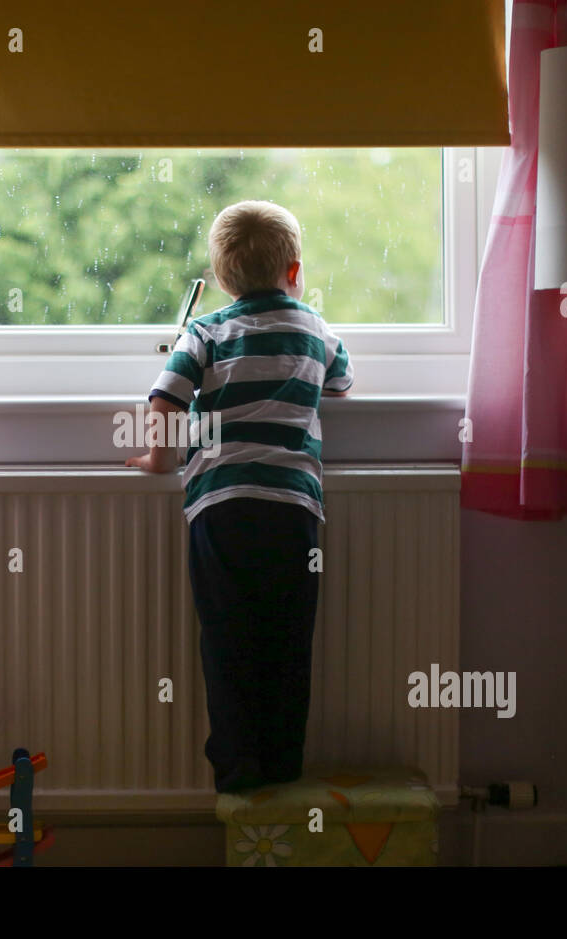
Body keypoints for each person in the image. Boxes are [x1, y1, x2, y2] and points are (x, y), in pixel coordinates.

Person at [125, 200, 353, 792]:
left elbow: (165, 399)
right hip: (291, 512)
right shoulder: (318, 331)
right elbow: (344, 384)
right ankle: (283, 760)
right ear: (295, 272)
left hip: (222, 508)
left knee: (227, 637)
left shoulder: (205, 331)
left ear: (222, 280)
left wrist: (157, 460)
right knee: (288, 637)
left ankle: (236, 763)